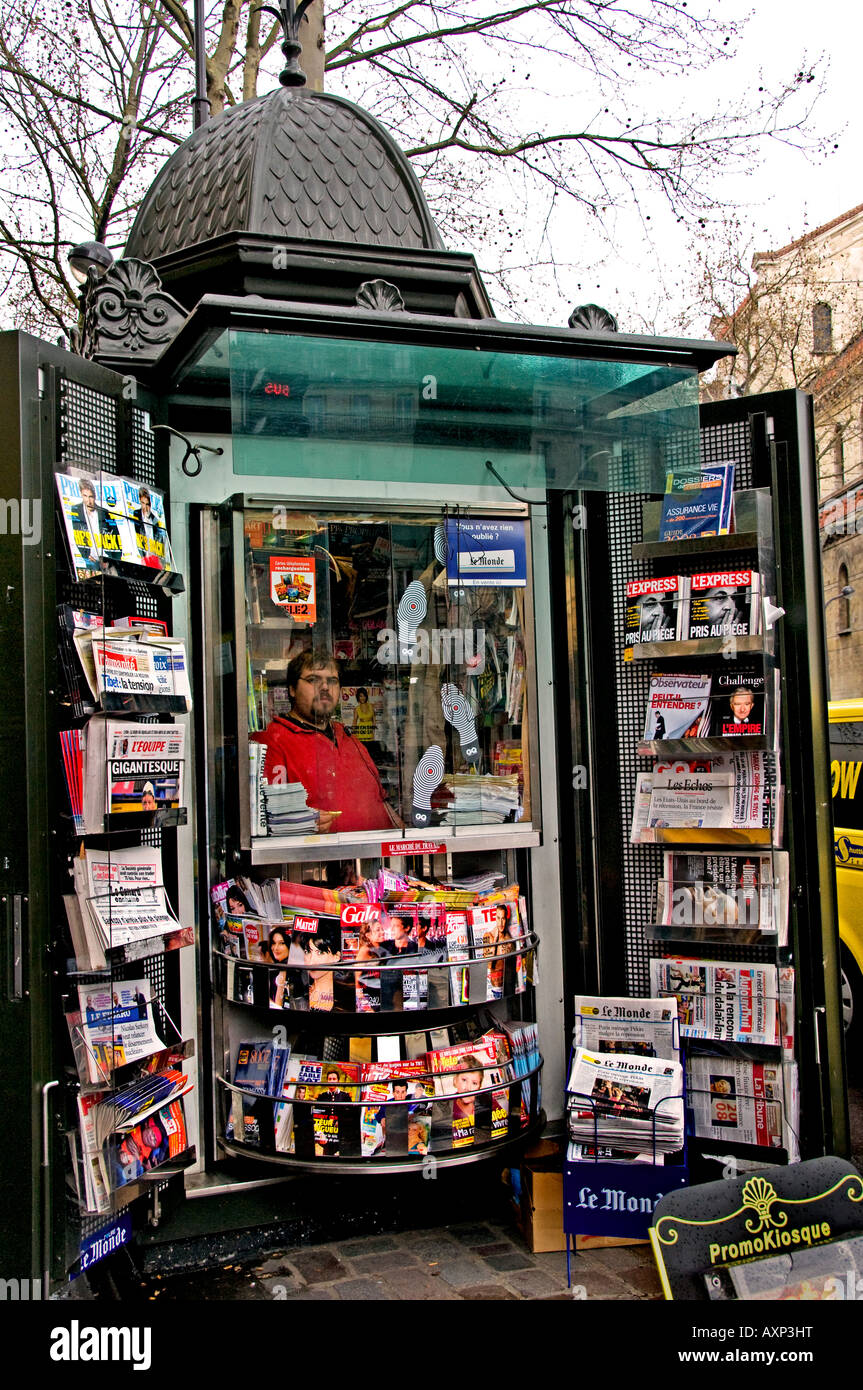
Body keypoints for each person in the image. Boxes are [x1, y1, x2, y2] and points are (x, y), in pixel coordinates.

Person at [254, 649, 399, 834]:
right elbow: (268, 818)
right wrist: (302, 822)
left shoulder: (347, 736)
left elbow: (382, 801)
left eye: (332, 681)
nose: (325, 687)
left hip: (380, 856)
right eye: (313, 680)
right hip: (322, 859)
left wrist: (406, 835)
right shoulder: (273, 741)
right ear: (291, 689)